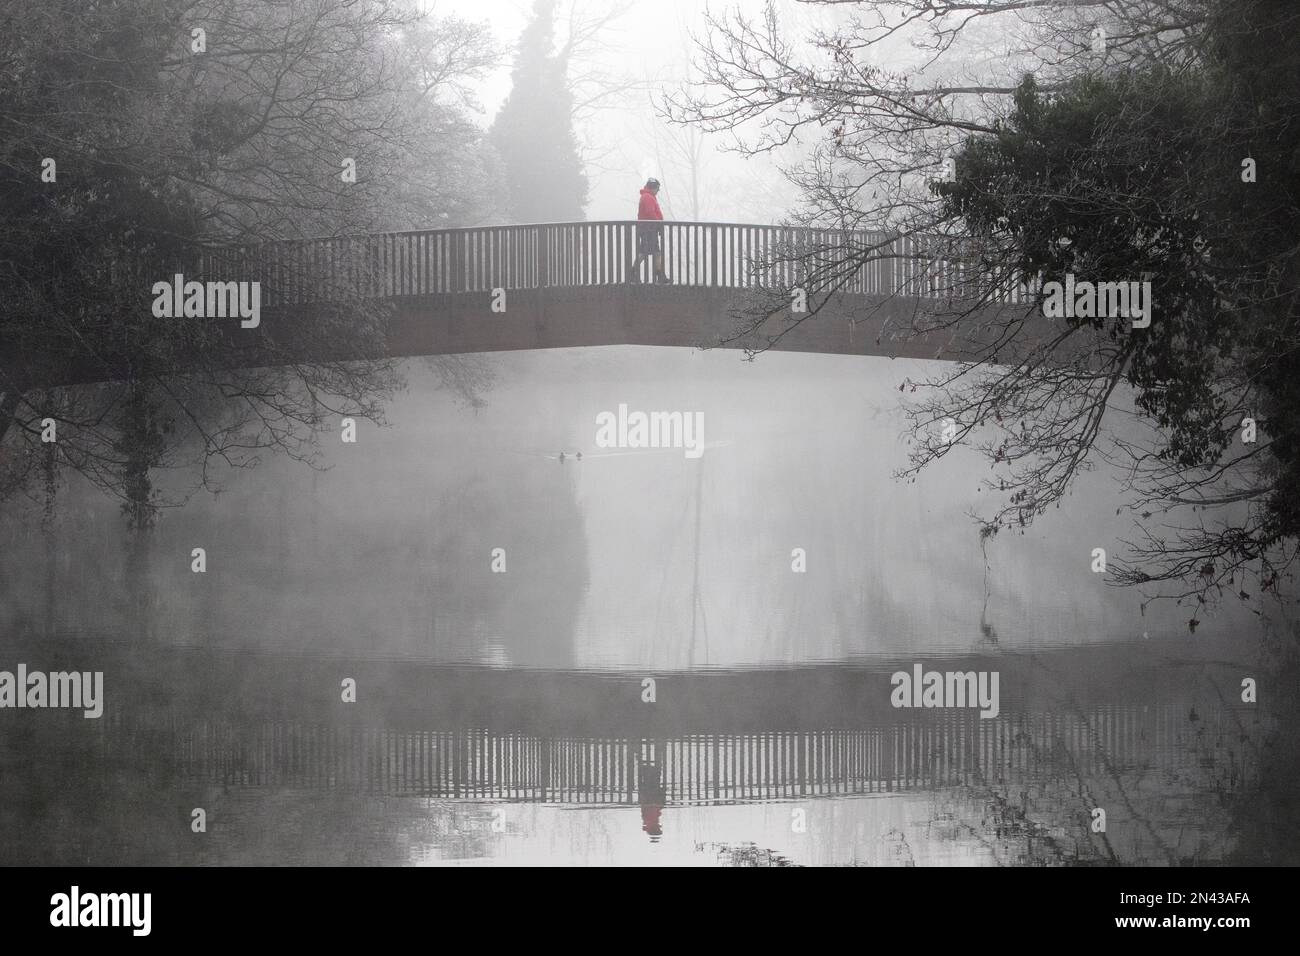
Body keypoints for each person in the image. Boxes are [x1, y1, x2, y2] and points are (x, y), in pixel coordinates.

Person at [629, 178, 669, 284]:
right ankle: (635, 274)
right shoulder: (647, 197)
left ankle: (635, 273)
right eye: (657, 188)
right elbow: (650, 213)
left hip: (649, 229)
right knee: (648, 253)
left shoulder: (648, 196)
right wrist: (658, 223)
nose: (658, 190)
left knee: (651, 252)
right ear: (652, 187)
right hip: (649, 229)